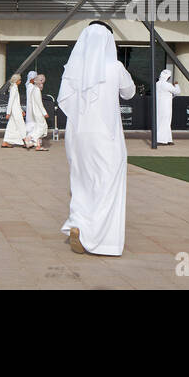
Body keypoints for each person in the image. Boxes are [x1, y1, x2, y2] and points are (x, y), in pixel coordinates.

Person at [59, 22, 135, 256]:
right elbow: (129, 92)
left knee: (80, 182)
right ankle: (99, 239)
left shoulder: (73, 67)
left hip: (77, 134)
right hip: (105, 134)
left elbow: (65, 99)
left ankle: (78, 225)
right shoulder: (115, 66)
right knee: (107, 183)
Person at [2, 73, 28, 148]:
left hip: (16, 110)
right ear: (16, 81)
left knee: (11, 126)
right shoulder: (14, 88)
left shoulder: (14, 87)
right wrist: (8, 112)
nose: (21, 81)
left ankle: (5, 142)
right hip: (15, 110)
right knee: (21, 124)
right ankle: (25, 141)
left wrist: (21, 110)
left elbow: (17, 101)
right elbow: (11, 101)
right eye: (20, 80)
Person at [155, 68, 179, 146]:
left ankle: (168, 139)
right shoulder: (167, 84)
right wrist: (176, 85)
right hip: (166, 106)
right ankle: (160, 140)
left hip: (158, 105)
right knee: (165, 122)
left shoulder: (157, 83)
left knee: (162, 122)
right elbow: (177, 91)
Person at [25, 72, 49, 151]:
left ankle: (38, 145)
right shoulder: (36, 90)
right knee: (42, 128)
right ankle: (29, 138)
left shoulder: (32, 88)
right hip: (38, 112)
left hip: (35, 112)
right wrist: (45, 113)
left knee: (38, 128)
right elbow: (39, 103)